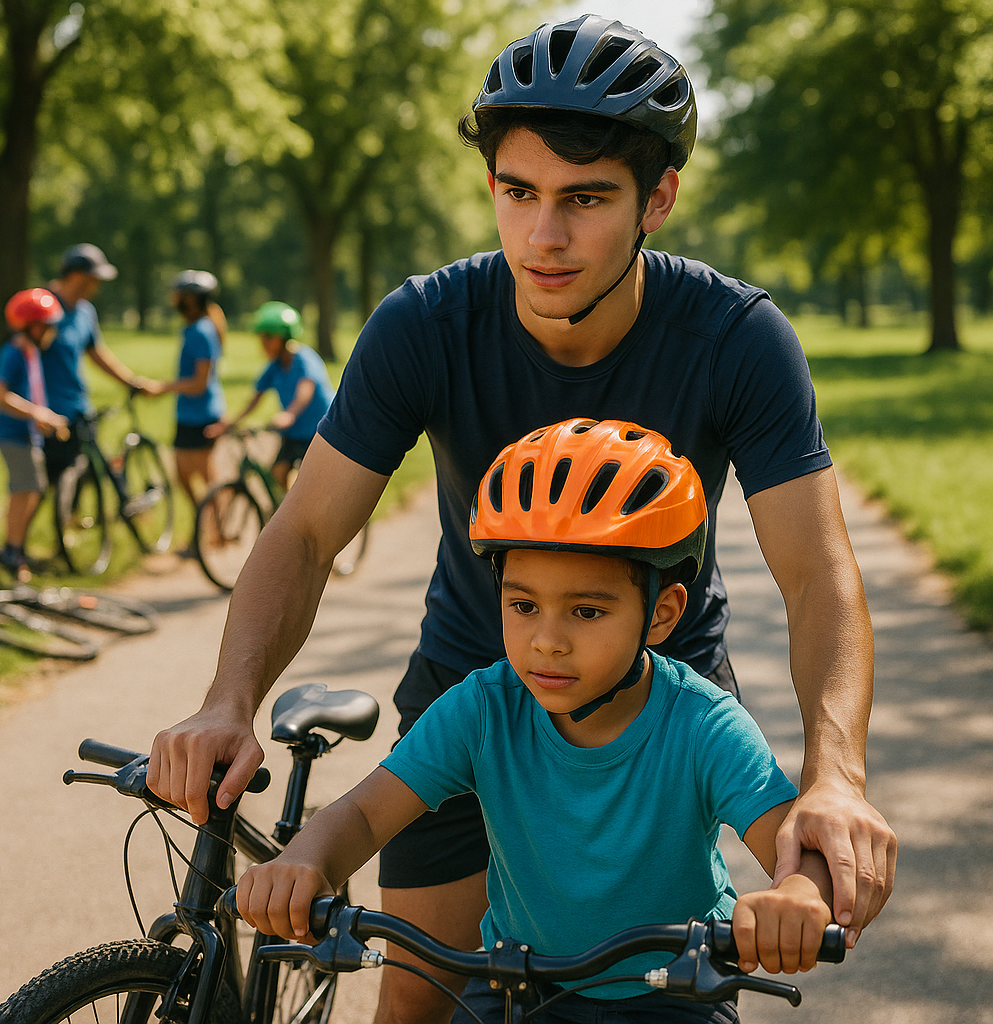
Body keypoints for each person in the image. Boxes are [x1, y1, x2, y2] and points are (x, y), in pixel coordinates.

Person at [148, 17, 895, 1024]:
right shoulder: (425, 323)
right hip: (475, 695)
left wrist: (834, 776)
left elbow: (816, 573)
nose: (543, 236)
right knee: (416, 1000)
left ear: (656, 198)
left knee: (645, 996)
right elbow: (306, 532)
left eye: (585, 199)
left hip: (653, 703)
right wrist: (229, 697)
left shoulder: (736, 339)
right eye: (517, 192)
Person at [237, 420, 835, 1024]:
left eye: (586, 611)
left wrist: (797, 895)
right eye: (523, 605)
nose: (547, 642)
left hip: (673, 993)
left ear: (662, 613)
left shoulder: (704, 727)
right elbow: (368, 811)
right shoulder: (484, 710)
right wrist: (308, 860)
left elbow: (793, 841)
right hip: (517, 985)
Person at [42, 243, 151, 484]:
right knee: (49, 480)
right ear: (77, 276)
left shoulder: (85, 312)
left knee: (86, 472)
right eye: (95, 279)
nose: (97, 286)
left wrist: (130, 381)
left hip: (78, 405)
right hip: (46, 408)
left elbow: (96, 353)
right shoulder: (43, 307)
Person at [206, 302, 335, 491]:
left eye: (268, 337)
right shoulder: (274, 366)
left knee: (316, 482)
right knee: (278, 473)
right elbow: (254, 399)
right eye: (261, 337)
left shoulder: (305, 359)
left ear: (284, 338)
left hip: (319, 430)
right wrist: (230, 423)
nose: (263, 343)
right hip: (293, 433)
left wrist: (288, 414)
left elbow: (305, 390)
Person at [0, 289, 71, 577]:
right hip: (14, 436)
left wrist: (43, 418)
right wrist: (37, 414)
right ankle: (12, 552)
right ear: (29, 326)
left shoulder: (31, 352)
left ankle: (16, 548)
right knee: (24, 491)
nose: (51, 332)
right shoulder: (12, 353)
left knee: (32, 490)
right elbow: (0, 394)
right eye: (46, 326)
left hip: (28, 435)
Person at [147, 271, 227, 546]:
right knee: (183, 477)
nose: (174, 300)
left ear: (192, 299)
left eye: (179, 295)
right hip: (188, 415)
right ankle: (206, 527)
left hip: (201, 415)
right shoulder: (194, 328)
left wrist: (162, 388)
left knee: (205, 477)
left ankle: (215, 530)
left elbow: (200, 383)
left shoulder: (202, 332)